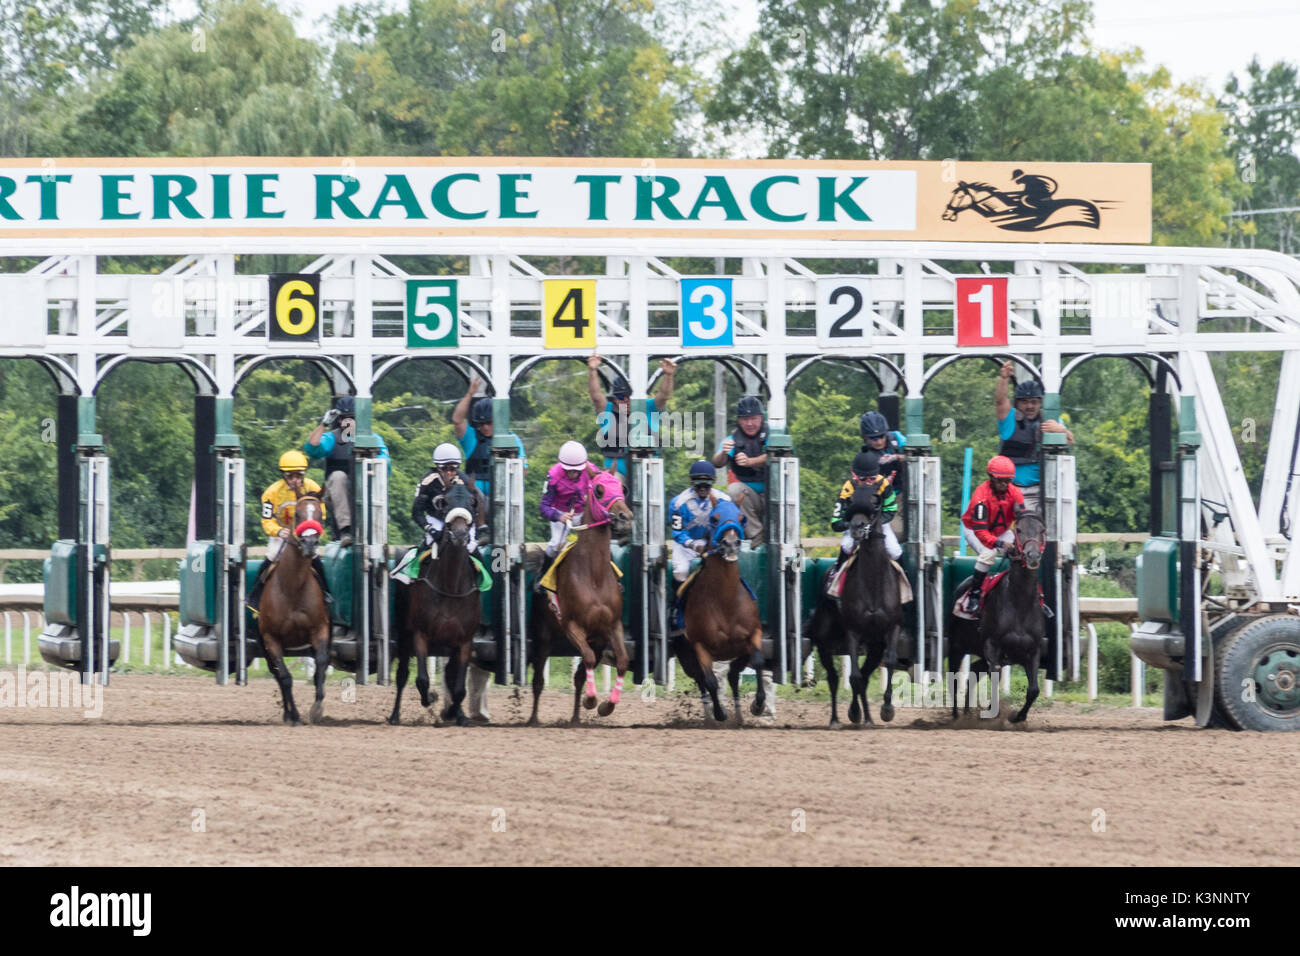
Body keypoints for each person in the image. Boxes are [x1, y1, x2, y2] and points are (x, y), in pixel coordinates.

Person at [247, 450, 333, 610]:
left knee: (315, 558)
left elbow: (321, 514)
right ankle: (254, 596)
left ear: (304, 474)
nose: (295, 480)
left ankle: (326, 593)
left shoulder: (313, 487)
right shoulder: (271, 492)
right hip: (282, 533)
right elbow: (267, 521)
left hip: (305, 534)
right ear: (283, 475)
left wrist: (312, 531)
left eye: (298, 475)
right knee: (271, 555)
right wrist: (279, 531)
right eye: (290, 476)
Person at [303, 395, 391, 546]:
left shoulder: (373, 439)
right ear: (339, 420)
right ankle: (346, 531)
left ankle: (376, 527)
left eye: (352, 418)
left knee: (372, 474)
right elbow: (312, 447)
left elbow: (384, 464)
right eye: (345, 418)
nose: (348, 422)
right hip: (338, 495)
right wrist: (323, 424)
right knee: (338, 476)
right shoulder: (332, 438)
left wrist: (368, 455)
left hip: (363, 493)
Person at [994, 361, 1073, 515]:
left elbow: (1071, 441)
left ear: (1040, 403)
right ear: (1017, 403)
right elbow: (1000, 401)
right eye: (1024, 402)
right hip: (1012, 489)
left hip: (1042, 489)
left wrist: (1061, 431)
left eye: (1034, 402)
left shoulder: (1050, 421)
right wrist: (1004, 379)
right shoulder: (1009, 419)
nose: (1029, 406)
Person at [587, 354, 676, 486]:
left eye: (629, 396)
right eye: (621, 397)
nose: (626, 401)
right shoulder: (608, 411)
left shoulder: (649, 407)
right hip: (616, 469)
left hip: (646, 466)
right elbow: (596, 396)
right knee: (611, 487)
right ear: (615, 399)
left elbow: (664, 395)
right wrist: (593, 370)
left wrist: (668, 375)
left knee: (648, 486)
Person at [956, 455, 1026, 618]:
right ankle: (974, 593)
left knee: (1022, 551)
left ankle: (1028, 593)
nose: (1004, 484)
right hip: (975, 530)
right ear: (991, 478)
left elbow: (1022, 520)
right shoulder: (980, 496)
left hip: (1000, 530)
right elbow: (981, 533)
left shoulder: (1015, 493)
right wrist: (1000, 544)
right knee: (989, 553)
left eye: (1007, 481)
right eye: (1000, 481)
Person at [451, 376, 528, 512]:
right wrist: (470, 394)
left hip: (501, 494)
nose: (485, 427)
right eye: (481, 424)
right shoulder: (471, 437)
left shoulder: (511, 439)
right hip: (474, 496)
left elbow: (523, 470)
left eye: (489, 423)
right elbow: (457, 420)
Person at [710, 396, 768, 544]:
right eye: (745, 419)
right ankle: (756, 537)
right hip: (751, 499)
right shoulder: (732, 439)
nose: (749, 423)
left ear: (761, 418)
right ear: (739, 420)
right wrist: (724, 452)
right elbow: (717, 462)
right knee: (735, 490)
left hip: (772, 494)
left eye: (753, 418)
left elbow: (775, 456)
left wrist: (750, 461)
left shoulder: (772, 435)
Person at [538, 440, 599, 575]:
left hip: (584, 512)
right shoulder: (553, 476)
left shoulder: (592, 470)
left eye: (576, 471)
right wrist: (559, 517)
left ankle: (614, 575)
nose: (572, 474)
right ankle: (542, 576)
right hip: (561, 513)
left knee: (598, 541)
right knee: (556, 545)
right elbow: (543, 507)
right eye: (568, 471)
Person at [668, 460, 733, 586]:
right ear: (691, 481)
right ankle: (677, 603)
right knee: (681, 572)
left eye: (707, 482)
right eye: (698, 482)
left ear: (713, 481)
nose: (702, 487)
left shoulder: (724, 501)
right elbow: (677, 532)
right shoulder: (678, 503)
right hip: (685, 544)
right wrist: (693, 545)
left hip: (713, 545)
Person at [830, 450, 902, 563]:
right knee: (847, 546)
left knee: (895, 551)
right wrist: (851, 525)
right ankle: (836, 572)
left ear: (877, 474)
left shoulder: (884, 484)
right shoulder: (848, 488)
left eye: (872, 478)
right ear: (855, 475)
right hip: (855, 523)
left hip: (878, 522)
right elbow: (835, 523)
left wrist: (873, 524)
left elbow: (890, 510)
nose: (868, 482)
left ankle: (905, 576)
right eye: (863, 479)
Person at [859, 410, 907, 531]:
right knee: (893, 532)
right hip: (884, 498)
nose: (879, 441)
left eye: (881, 436)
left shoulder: (898, 438)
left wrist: (897, 457)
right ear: (865, 438)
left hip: (904, 492)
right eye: (874, 439)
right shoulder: (864, 455)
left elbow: (919, 456)